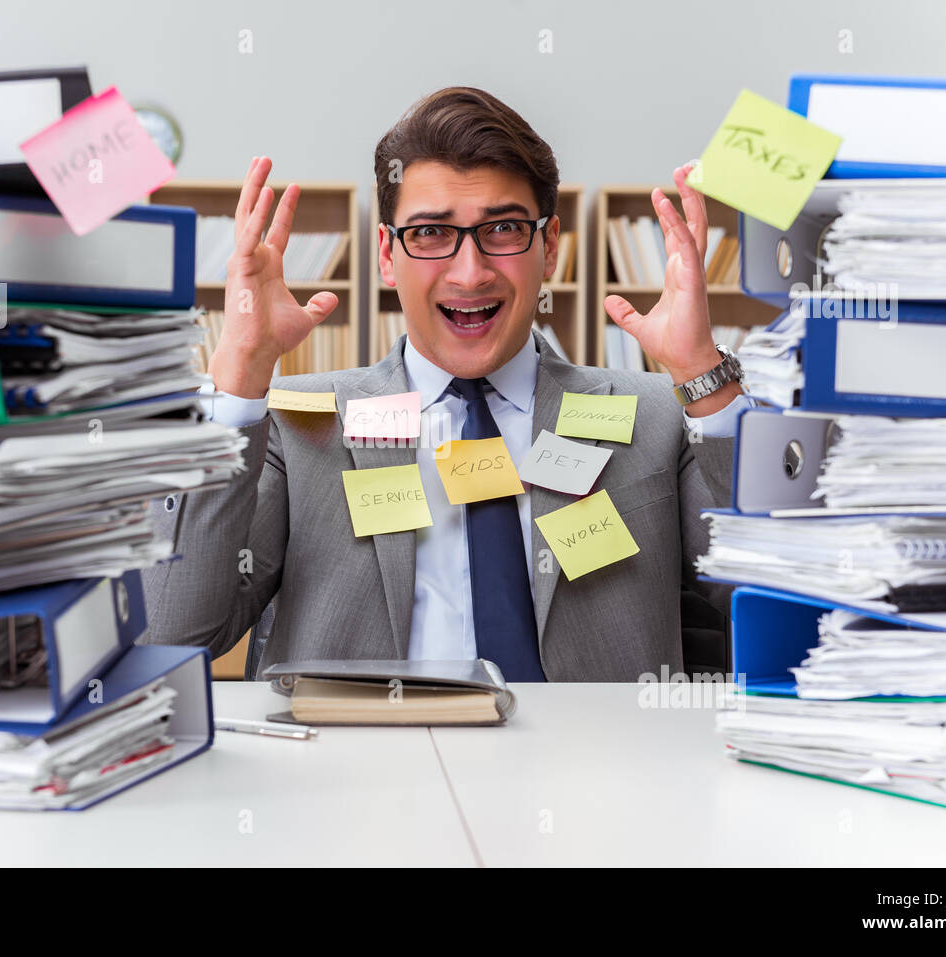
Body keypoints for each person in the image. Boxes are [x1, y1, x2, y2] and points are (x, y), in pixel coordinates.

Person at [143, 86, 751, 681]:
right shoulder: (300, 424)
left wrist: (704, 376)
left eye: (504, 229)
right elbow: (173, 632)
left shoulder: (659, 416)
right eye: (431, 233)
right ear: (386, 255)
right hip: (362, 775)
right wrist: (241, 376)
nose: (470, 272)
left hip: (594, 775)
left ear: (551, 248)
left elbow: (781, 611)